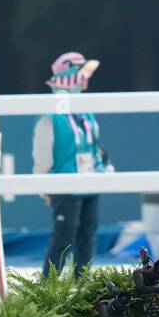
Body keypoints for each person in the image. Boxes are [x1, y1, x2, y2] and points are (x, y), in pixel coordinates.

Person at [34, 51, 111, 278]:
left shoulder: (85, 109)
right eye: (83, 74)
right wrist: (43, 186)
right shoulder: (50, 114)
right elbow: (43, 154)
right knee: (64, 238)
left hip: (90, 183)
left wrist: (103, 167)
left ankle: (82, 285)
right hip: (65, 185)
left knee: (87, 237)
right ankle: (49, 289)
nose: (87, 79)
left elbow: (93, 145)